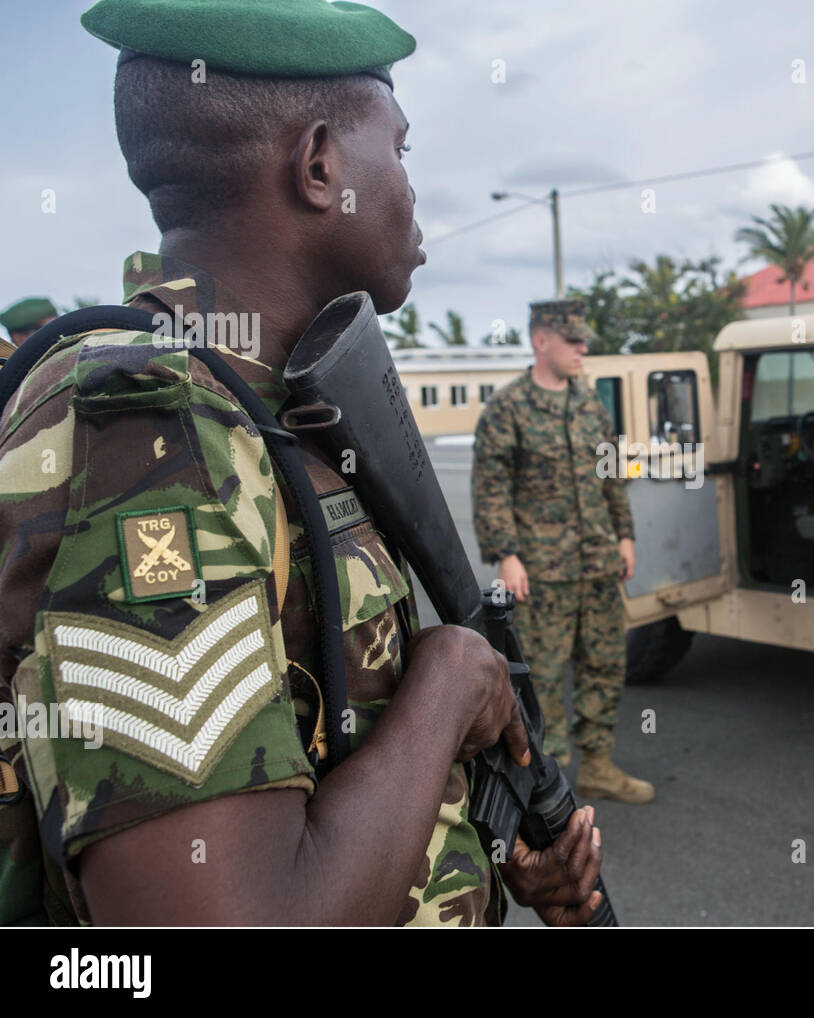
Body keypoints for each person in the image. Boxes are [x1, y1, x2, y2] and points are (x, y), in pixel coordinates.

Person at [0, 0, 604, 927]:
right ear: (321, 165)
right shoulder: (155, 431)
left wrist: (474, 847)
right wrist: (448, 688)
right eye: (399, 151)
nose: (412, 191)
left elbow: (324, 746)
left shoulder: (275, 409)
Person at [472, 298, 653, 804]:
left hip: (597, 563)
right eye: (573, 340)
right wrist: (506, 554)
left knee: (604, 665)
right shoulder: (509, 409)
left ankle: (597, 764)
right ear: (541, 340)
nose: (583, 348)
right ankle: (541, 785)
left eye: (584, 340)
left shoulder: (591, 406)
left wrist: (625, 534)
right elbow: (491, 486)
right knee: (541, 679)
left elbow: (611, 474)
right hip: (541, 571)